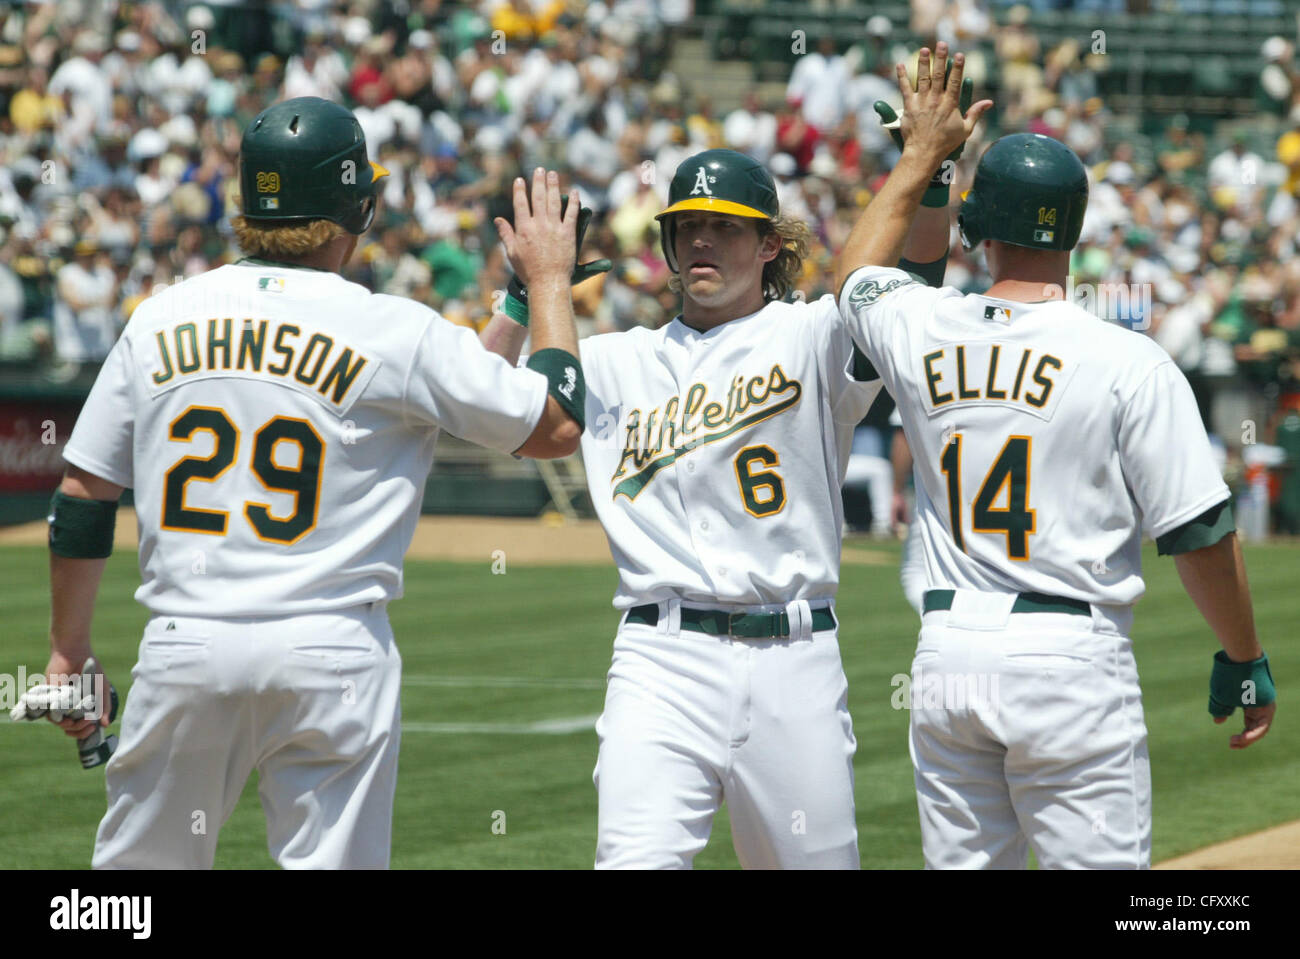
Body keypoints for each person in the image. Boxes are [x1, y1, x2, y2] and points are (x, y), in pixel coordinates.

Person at [31, 97, 586, 869]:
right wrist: (549, 282)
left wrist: (68, 651)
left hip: (186, 646)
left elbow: (84, 495)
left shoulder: (160, 317)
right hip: (331, 653)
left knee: (130, 893)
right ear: (357, 206)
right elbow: (553, 422)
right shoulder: (392, 326)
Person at [483, 118, 972, 865]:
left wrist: (930, 172)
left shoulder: (812, 336)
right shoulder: (614, 361)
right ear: (669, 245)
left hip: (795, 657)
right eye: (687, 228)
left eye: (725, 227)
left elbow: (914, 282)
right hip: (659, 658)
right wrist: (525, 294)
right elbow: (483, 403)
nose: (702, 241)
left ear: (770, 244)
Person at [835, 46, 1277, 869]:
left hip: (948, 653)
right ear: (1075, 227)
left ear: (977, 227)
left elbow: (857, 271)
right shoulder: (1128, 360)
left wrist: (924, 163)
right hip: (1071, 658)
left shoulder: (924, 326)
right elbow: (1200, 532)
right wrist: (1243, 654)